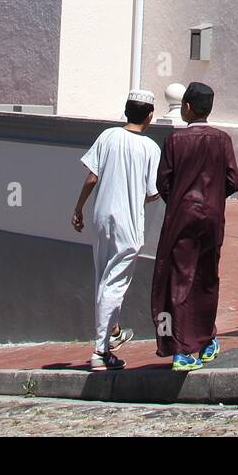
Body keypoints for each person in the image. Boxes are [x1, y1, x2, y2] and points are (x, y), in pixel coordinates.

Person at [150, 81, 238, 371]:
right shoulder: (222, 140)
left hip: (182, 217)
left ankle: (182, 349)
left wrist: (179, 199)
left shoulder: (175, 141)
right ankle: (206, 339)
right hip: (212, 217)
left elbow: (163, 182)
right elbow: (233, 181)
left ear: (186, 108)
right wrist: (213, 197)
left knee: (179, 280)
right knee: (206, 277)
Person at [71, 89, 161, 371]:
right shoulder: (150, 148)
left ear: (126, 111)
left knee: (103, 276)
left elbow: (91, 177)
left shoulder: (107, 136)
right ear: (149, 115)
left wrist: (78, 208)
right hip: (128, 222)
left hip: (102, 218)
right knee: (115, 283)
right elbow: (152, 193)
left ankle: (114, 330)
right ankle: (101, 350)